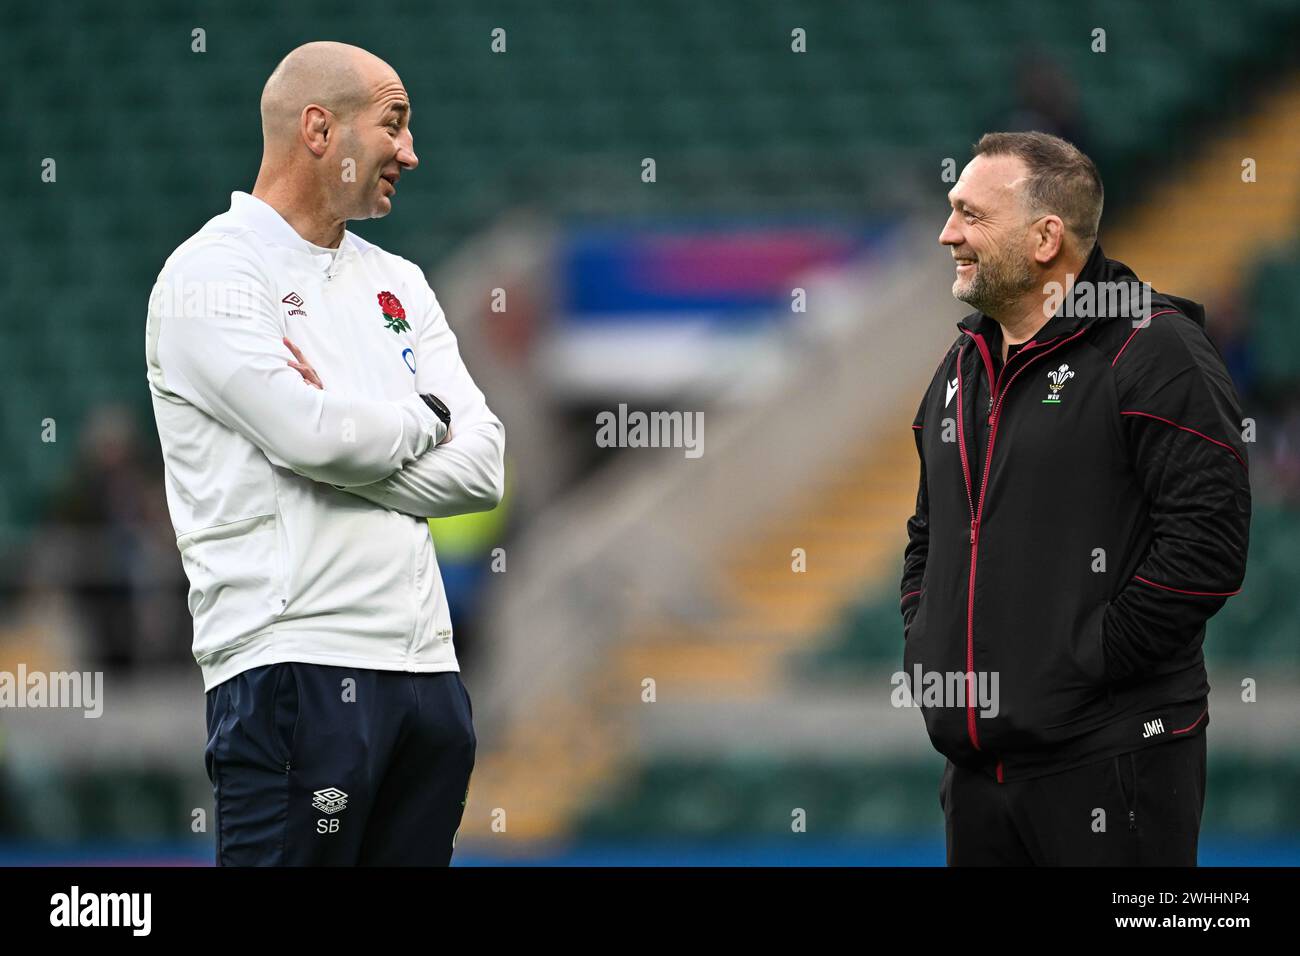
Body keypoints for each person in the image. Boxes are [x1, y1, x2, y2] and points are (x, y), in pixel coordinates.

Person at [145, 41, 505, 865]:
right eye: (394, 124)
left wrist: (342, 434)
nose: (410, 153)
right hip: (293, 664)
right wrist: (421, 415)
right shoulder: (210, 276)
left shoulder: (400, 281)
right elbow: (311, 436)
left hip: (428, 673)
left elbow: (484, 465)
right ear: (318, 129)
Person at [900, 131, 1250, 865]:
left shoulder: (1154, 350)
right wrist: (927, 641)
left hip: (1110, 762)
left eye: (970, 214)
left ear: (1045, 237)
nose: (948, 234)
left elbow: (1206, 548)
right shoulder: (959, 365)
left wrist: (1084, 660)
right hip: (977, 776)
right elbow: (929, 534)